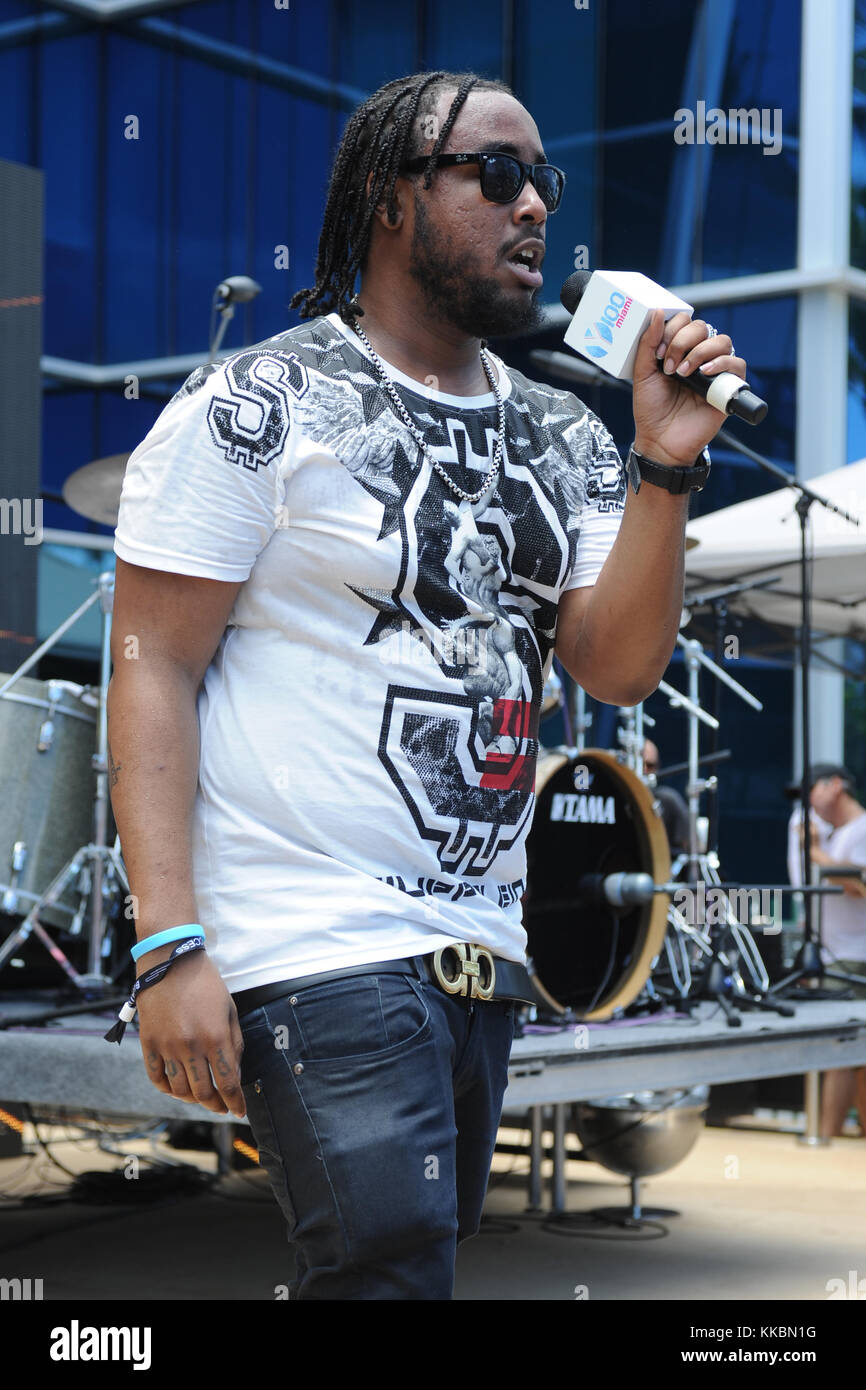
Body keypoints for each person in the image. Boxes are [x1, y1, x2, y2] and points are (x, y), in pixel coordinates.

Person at [106, 69, 747, 1300]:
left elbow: (610, 663)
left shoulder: (561, 434)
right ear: (391, 201)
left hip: (480, 953)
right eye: (495, 174)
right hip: (314, 940)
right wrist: (167, 943)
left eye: (542, 182)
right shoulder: (258, 404)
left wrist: (661, 464)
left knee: (393, 1272)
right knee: (388, 1275)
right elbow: (152, 671)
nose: (532, 209)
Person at [791, 765, 866, 1139]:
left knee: (844, 1050)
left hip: (856, 956)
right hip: (834, 953)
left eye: (811, 791)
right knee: (850, 1053)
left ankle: (823, 1139)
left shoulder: (862, 829)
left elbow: (860, 884)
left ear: (835, 785)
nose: (807, 802)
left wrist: (816, 853)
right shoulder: (835, 835)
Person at [643, 738, 690, 854]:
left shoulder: (668, 800)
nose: (643, 770)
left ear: (657, 767)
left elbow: (689, 847)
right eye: (639, 763)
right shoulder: (613, 798)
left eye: (649, 765)